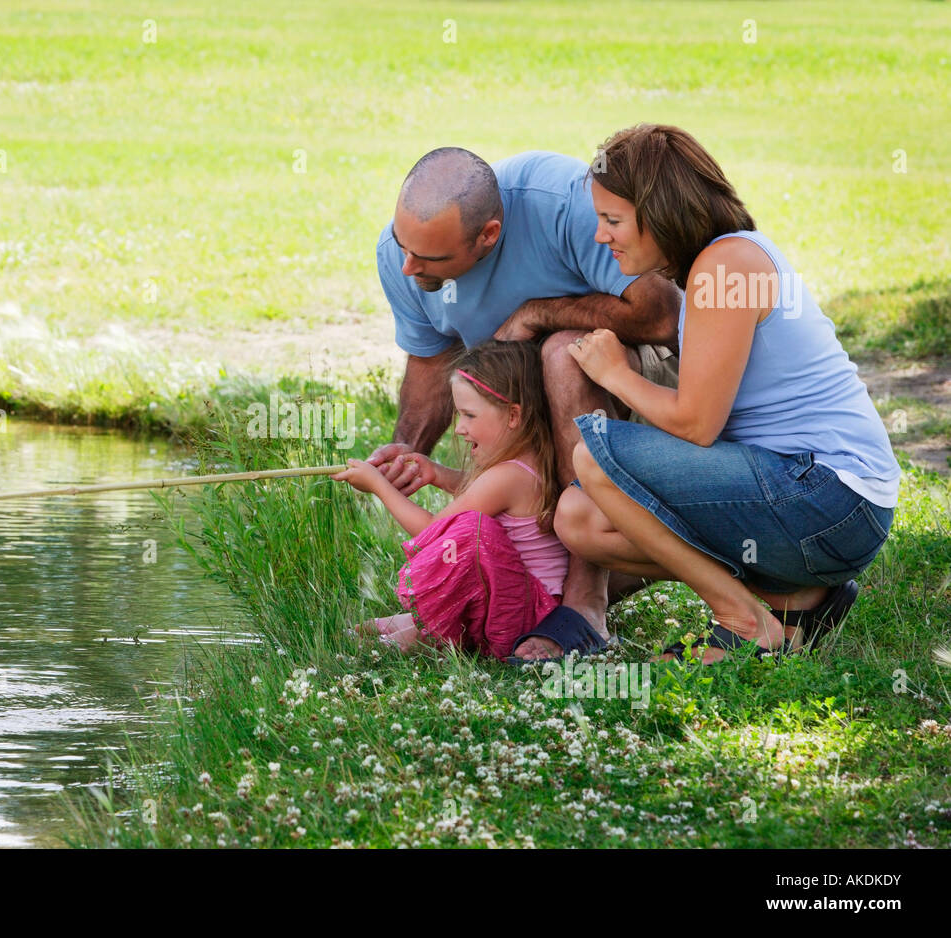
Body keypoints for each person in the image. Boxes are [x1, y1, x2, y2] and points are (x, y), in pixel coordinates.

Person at [542, 123, 900, 664]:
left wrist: (614, 373)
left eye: (613, 220)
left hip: (829, 496)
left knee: (592, 454)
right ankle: (793, 600)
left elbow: (695, 425)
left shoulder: (726, 267)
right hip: (816, 504)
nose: (601, 236)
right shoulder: (716, 265)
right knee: (580, 519)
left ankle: (743, 620)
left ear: (660, 212)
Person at [365, 147, 683, 657]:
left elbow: (661, 315)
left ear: (489, 234)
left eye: (430, 259)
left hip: (644, 385)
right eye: (404, 245)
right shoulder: (403, 256)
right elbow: (431, 360)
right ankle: (539, 589)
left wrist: (540, 313)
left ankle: (583, 604)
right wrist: (405, 451)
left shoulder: (560, 202)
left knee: (560, 354)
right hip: (533, 415)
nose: (407, 266)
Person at [334, 341, 569, 658]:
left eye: (469, 415)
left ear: (514, 415)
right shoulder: (527, 465)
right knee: (384, 625)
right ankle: (404, 629)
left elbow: (435, 532)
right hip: (529, 606)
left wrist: (378, 486)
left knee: (468, 532)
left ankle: (421, 635)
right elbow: (487, 499)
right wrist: (439, 474)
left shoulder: (507, 477)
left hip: (525, 618)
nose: (459, 428)